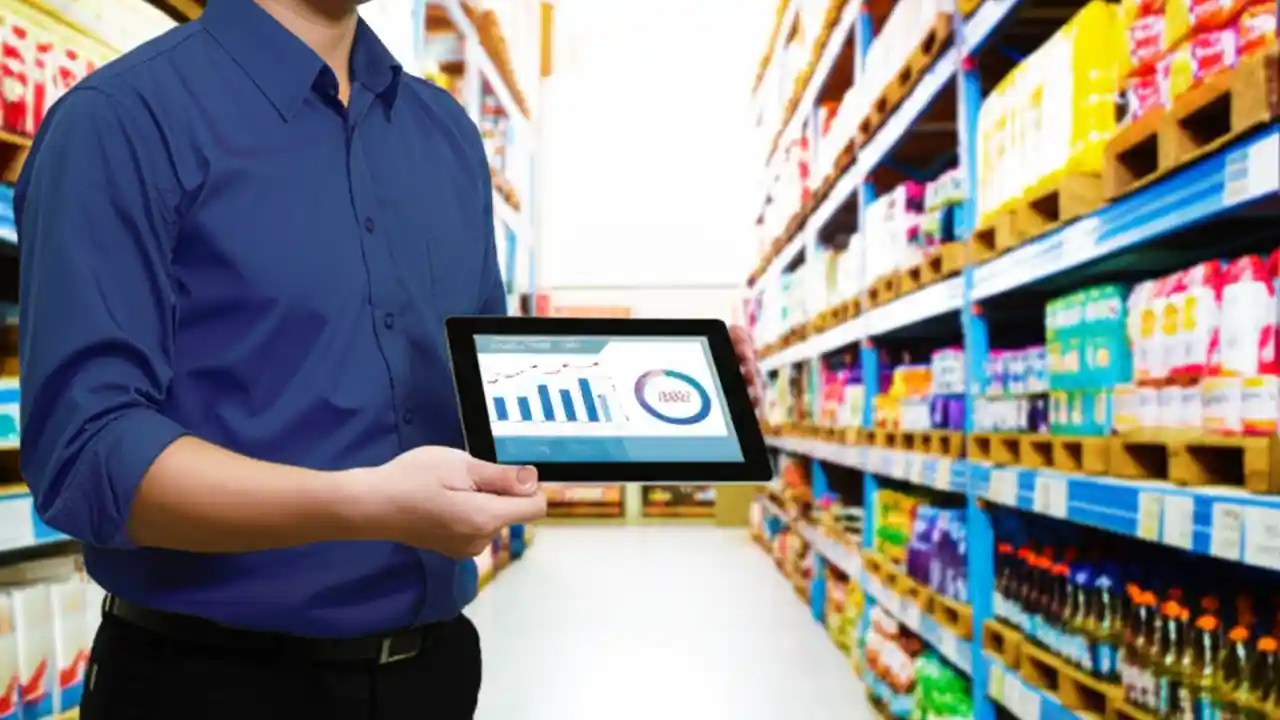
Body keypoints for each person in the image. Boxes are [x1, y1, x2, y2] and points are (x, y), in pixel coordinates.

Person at [15, 0, 765, 717]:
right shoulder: (119, 120)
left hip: (430, 676)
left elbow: (480, 397)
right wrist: (366, 503)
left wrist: (655, 392)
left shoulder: (444, 135)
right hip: (210, 684)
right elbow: (87, 455)